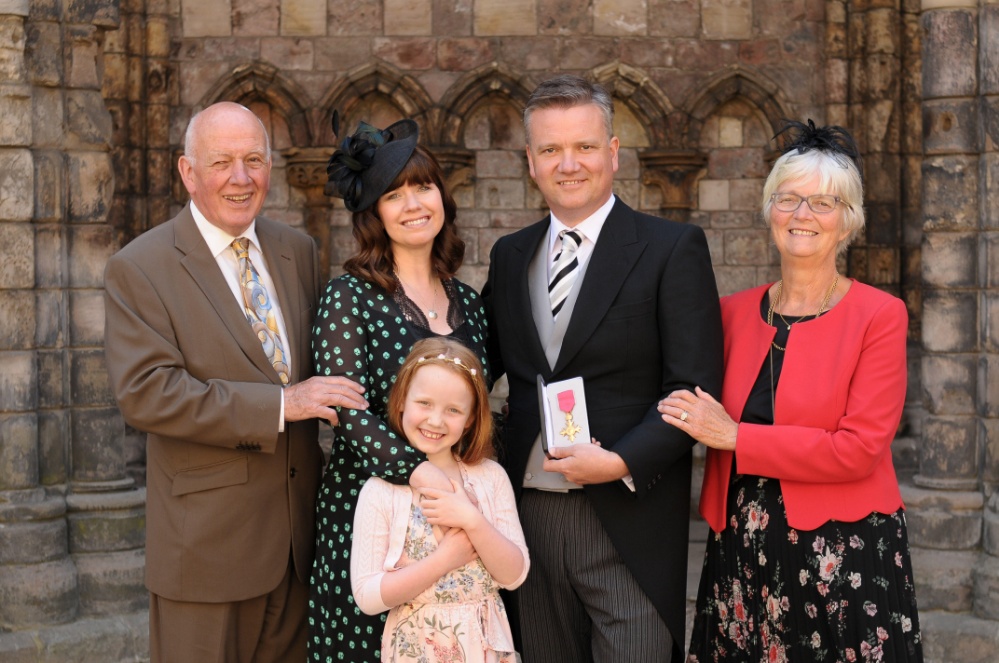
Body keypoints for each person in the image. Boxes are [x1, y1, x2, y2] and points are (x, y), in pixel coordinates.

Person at [103, 101, 369, 663]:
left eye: (254, 159)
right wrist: (282, 404)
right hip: (206, 551)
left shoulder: (297, 250)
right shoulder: (140, 266)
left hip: (300, 546)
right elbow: (147, 392)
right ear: (188, 171)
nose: (241, 178)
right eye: (222, 162)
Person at [658, 120, 923, 662]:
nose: (803, 216)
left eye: (824, 203)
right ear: (769, 210)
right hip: (742, 543)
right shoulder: (730, 312)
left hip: (843, 549)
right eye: (790, 199)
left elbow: (858, 449)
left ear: (848, 222)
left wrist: (736, 437)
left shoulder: (879, 315)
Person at [481, 74, 724, 662]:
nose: (569, 164)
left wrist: (619, 462)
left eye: (585, 147)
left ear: (612, 153)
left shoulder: (672, 248)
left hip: (628, 522)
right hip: (528, 520)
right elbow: (477, 366)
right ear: (531, 163)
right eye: (550, 150)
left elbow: (691, 390)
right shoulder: (510, 256)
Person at [309, 115, 491, 663]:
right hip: (369, 516)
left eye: (423, 187)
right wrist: (422, 474)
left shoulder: (472, 304)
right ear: (374, 215)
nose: (413, 204)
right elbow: (347, 413)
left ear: (442, 197)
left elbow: (478, 409)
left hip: (452, 521)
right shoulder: (349, 298)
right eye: (394, 195)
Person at [350, 337, 529, 662]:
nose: (435, 420)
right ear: (402, 400)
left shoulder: (490, 478)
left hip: (484, 646)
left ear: (471, 418)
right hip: (416, 648)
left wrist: (472, 520)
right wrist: (444, 559)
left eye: (453, 410)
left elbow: (514, 575)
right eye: (425, 404)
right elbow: (367, 596)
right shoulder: (381, 491)